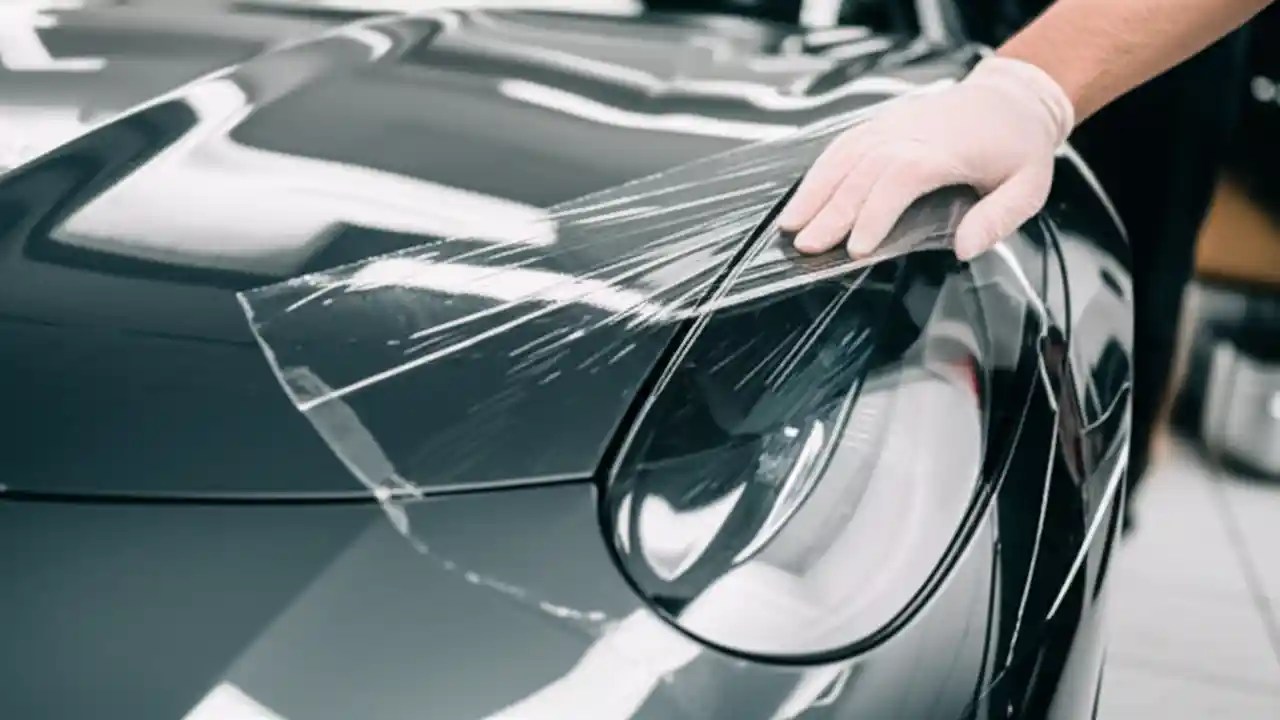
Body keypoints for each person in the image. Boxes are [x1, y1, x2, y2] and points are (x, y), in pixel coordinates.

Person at [778, 0, 1267, 529]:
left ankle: (1085, 519)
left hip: (1143, 42)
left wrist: (1033, 85)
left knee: (1112, 302)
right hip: (939, 29)